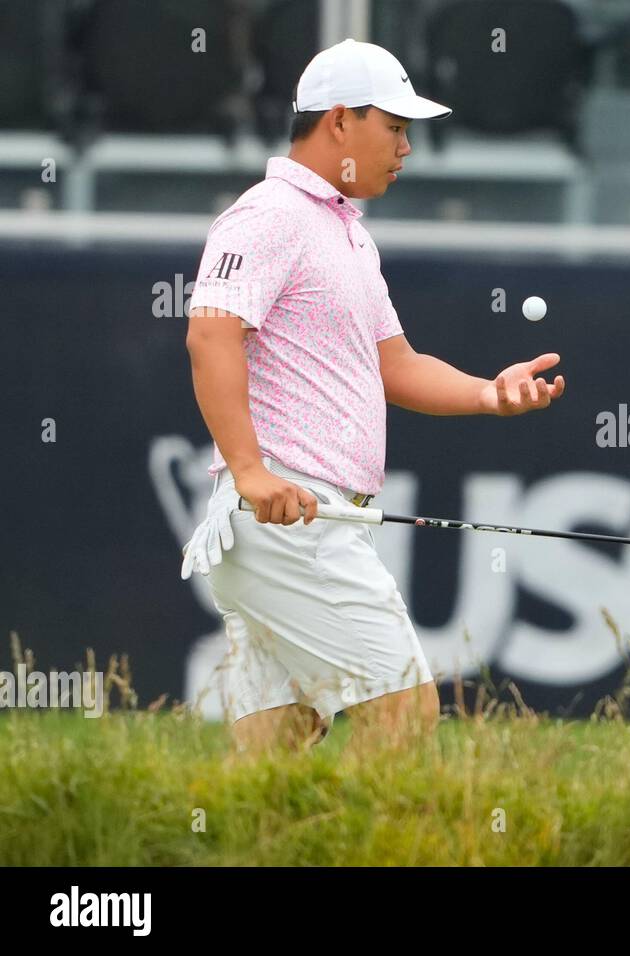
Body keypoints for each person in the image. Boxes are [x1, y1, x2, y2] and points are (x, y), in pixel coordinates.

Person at [181, 39, 565, 753]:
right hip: (289, 523)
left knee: (274, 761)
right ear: (338, 122)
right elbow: (210, 337)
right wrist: (252, 470)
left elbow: (398, 364)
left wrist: (491, 394)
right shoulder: (267, 215)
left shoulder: (346, 234)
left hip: (298, 527)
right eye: (394, 128)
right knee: (404, 716)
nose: (407, 147)